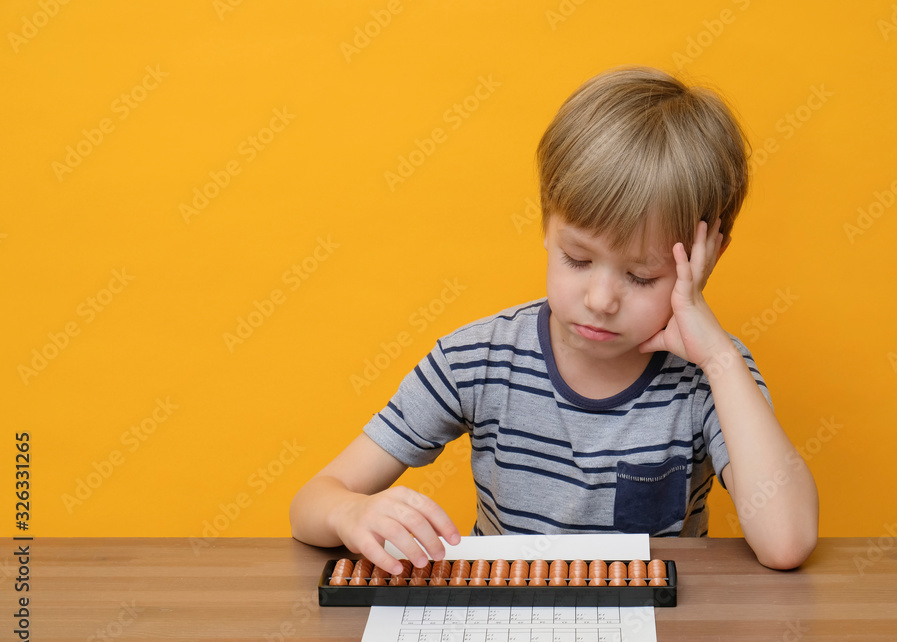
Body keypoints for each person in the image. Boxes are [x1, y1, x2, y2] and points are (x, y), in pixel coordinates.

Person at [290, 65, 819, 572]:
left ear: (706, 259)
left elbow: (786, 541)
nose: (601, 298)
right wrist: (349, 512)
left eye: (641, 276)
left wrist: (720, 357)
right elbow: (311, 503)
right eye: (578, 260)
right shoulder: (476, 360)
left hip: (651, 636)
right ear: (547, 224)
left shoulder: (712, 377)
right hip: (506, 625)